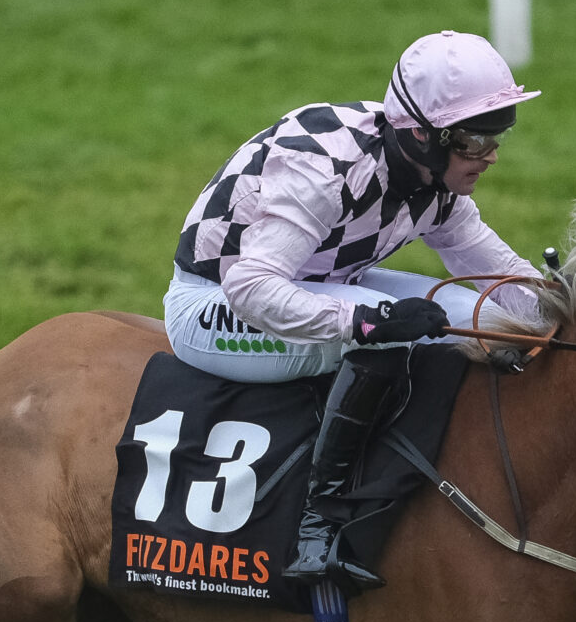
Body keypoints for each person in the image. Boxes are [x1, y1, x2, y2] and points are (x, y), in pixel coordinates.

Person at [164, 30, 547, 589]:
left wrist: (568, 309)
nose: (487, 157)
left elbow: (499, 274)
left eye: (496, 139)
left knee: (490, 322)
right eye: (472, 142)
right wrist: (365, 323)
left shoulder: (432, 176)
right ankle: (319, 525)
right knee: (390, 329)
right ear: (422, 136)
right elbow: (252, 287)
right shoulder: (324, 171)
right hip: (214, 301)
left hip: (319, 279)